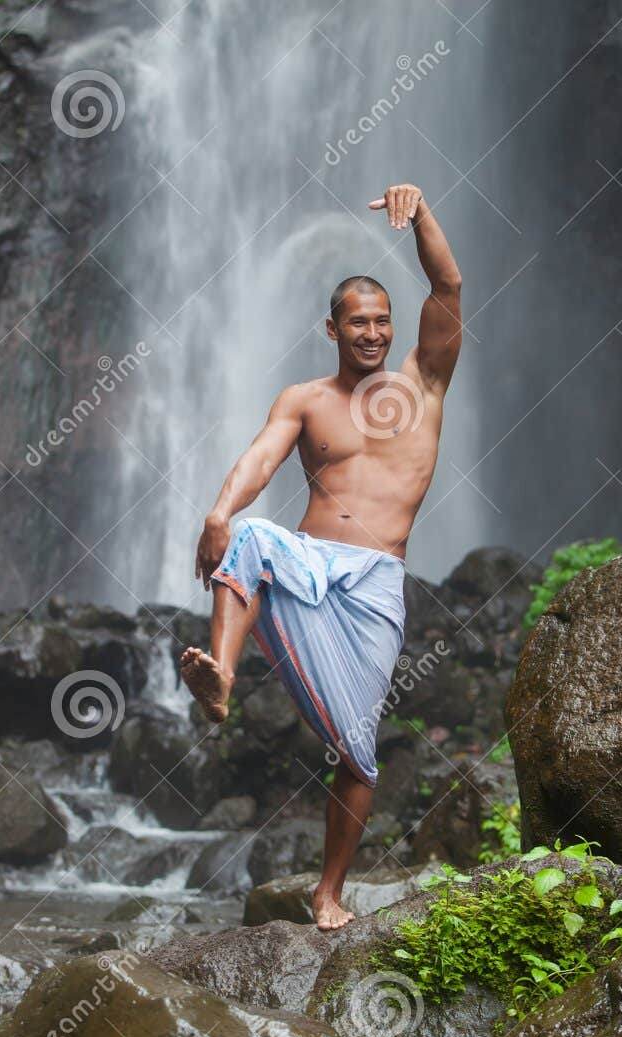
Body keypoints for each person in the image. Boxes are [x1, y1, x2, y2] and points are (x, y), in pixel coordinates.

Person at [180, 181, 463, 930]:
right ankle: (220, 679)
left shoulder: (424, 384)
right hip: (308, 562)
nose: (372, 333)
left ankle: (328, 892)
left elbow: (448, 285)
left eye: (382, 321)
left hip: (375, 584)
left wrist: (421, 213)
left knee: (358, 750)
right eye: (357, 322)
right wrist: (218, 511)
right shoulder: (304, 399)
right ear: (332, 328)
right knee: (250, 535)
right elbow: (260, 457)